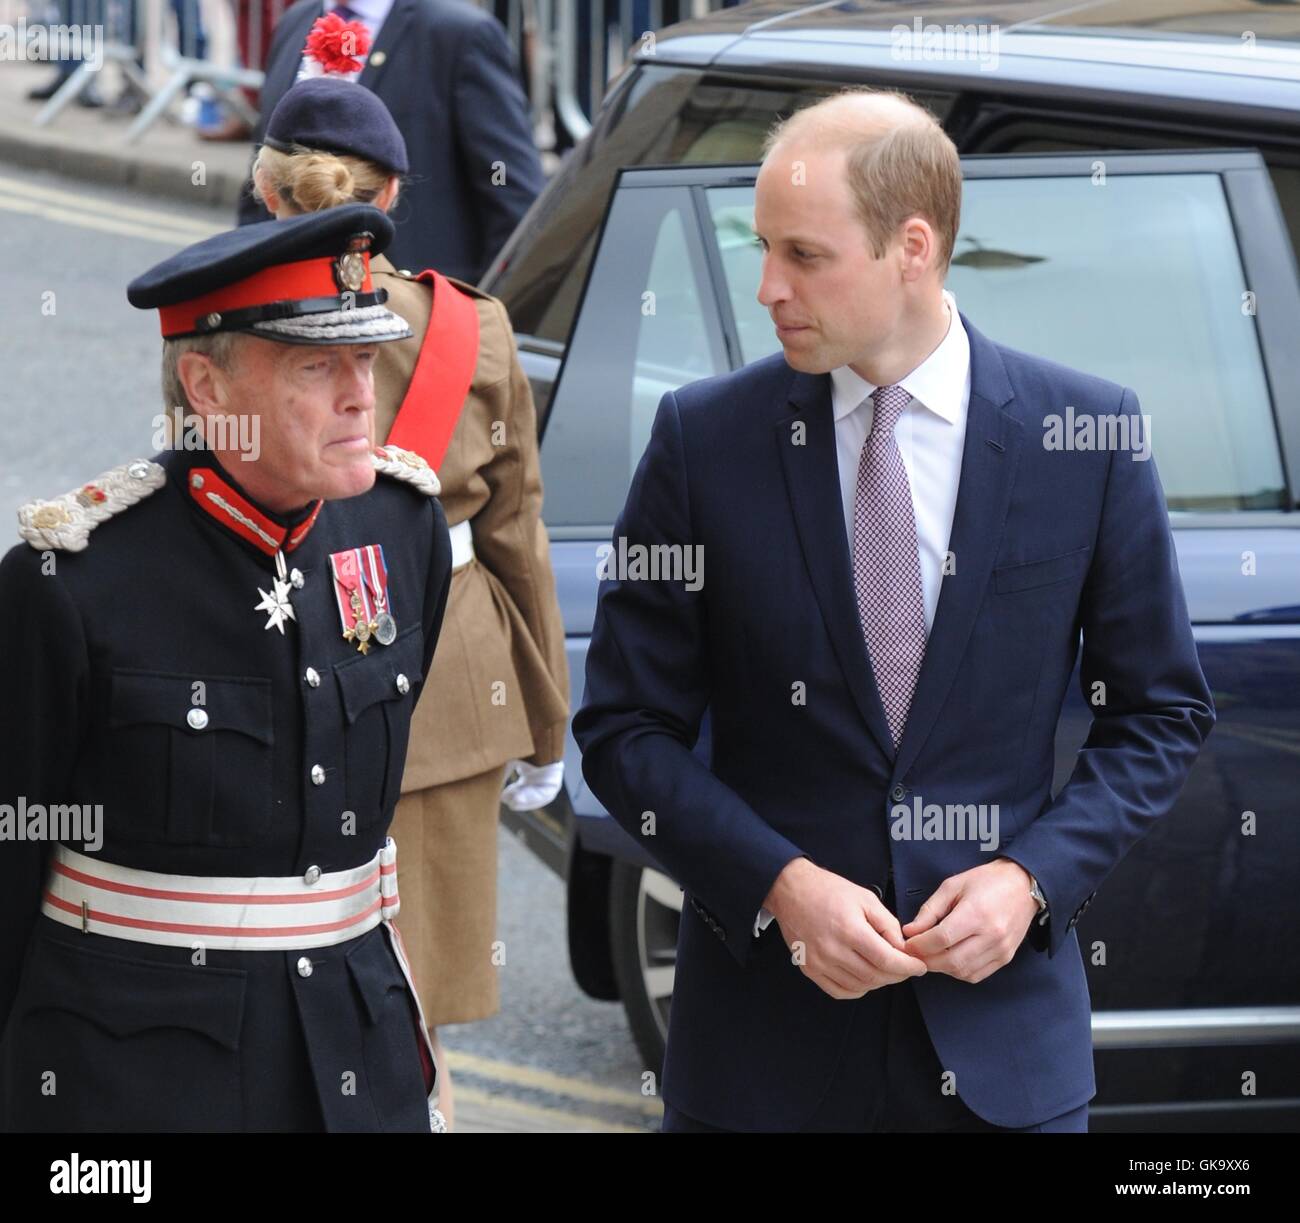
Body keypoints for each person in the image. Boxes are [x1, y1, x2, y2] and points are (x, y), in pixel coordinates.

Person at [572, 88, 1216, 1133]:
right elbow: (622, 731)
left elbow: (1159, 712)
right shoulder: (703, 441)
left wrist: (1028, 879)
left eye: (805, 255)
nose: (769, 285)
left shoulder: (1087, 433)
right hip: (759, 1064)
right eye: (761, 248)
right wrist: (780, 887)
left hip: (1004, 1060)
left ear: (910, 247)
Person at [0, 205, 455, 1132]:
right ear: (206, 386)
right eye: (316, 367)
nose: (361, 395)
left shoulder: (404, 532)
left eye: (364, 360)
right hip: (140, 1084)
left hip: (356, 1060)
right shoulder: (73, 581)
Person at [249, 77, 570, 1129]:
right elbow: (517, 527)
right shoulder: (474, 325)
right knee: (420, 986)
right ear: (392, 191)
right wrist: (547, 722)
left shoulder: (226, 329)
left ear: (266, 189)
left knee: (291, 968)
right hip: (444, 675)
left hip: (284, 667)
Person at [236, 0, 546, 282]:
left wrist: (477, 315)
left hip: (414, 316)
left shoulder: (460, 34)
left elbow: (512, 194)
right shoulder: (296, 21)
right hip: (287, 309)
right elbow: (261, 175)